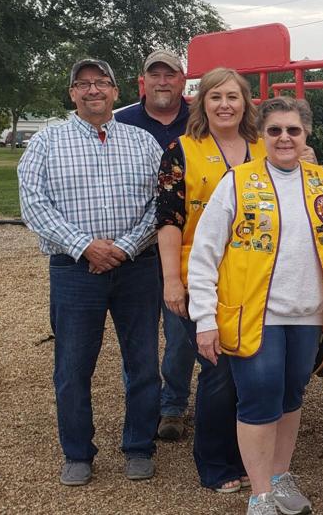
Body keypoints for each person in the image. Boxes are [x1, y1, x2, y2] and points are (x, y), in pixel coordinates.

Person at [187, 97, 323, 515]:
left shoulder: (320, 181)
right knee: (259, 401)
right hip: (255, 313)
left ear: (305, 135)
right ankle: (260, 494)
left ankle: (280, 477)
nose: (284, 138)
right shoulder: (237, 182)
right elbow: (205, 254)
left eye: (293, 130)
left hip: (308, 315)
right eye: (275, 130)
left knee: (291, 397)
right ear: (261, 135)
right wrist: (204, 320)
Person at [18, 58, 164, 486]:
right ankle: (78, 453)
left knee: (142, 364)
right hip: (74, 270)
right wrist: (86, 247)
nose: (93, 90)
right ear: (72, 94)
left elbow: (163, 203)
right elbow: (34, 205)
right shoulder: (46, 143)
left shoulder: (143, 143)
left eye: (101, 82)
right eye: (83, 84)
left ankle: (139, 447)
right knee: (72, 367)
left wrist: (125, 246)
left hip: (137, 266)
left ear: (117, 92)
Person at [155, 67, 265, 492]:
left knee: (251, 370)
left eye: (233, 97)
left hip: (254, 278)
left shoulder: (265, 145)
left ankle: (246, 455)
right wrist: (170, 281)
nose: (225, 105)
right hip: (198, 276)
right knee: (217, 368)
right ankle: (213, 459)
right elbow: (168, 220)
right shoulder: (181, 149)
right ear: (202, 103)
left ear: (245, 103)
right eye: (216, 96)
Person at [115, 48, 195, 441]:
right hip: (134, 246)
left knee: (181, 335)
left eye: (171, 74)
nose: (163, 81)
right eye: (155, 75)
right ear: (141, 82)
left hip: (181, 240)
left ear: (183, 80)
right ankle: (140, 403)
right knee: (137, 334)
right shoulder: (121, 121)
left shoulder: (201, 118)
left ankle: (173, 405)